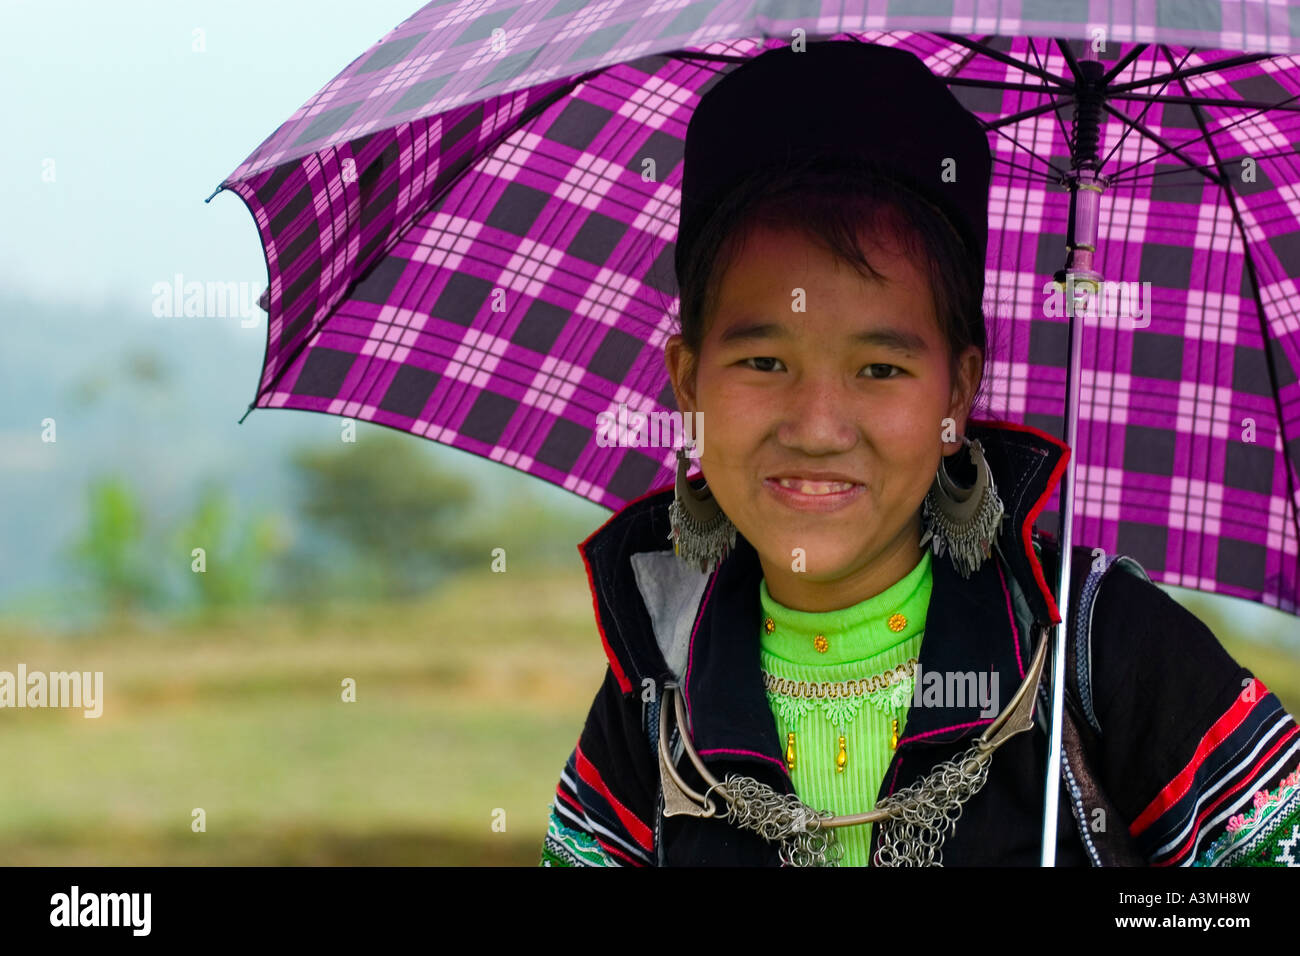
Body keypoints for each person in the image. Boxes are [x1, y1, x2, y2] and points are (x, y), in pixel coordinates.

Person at [539, 40, 1300, 866]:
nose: (819, 427)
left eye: (880, 368)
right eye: (763, 362)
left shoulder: (1098, 646)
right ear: (687, 382)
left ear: (956, 391)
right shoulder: (654, 685)